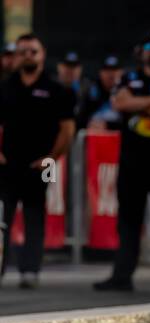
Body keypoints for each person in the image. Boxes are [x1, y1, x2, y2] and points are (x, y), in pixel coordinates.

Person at [93, 32, 150, 292]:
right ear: (140, 51)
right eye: (147, 46)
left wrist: (135, 103)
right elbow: (118, 104)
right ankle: (122, 275)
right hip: (133, 161)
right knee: (128, 221)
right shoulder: (128, 77)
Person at [0, 33, 75, 288]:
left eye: (33, 51)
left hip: (41, 163)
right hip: (7, 163)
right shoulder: (5, 87)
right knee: (2, 217)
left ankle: (30, 270)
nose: (28, 56)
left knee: (35, 215)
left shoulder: (56, 89)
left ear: (42, 55)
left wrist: (52, 158)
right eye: (22, 51)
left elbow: (67, 130)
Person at [78, 55, 124, 130]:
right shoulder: (90, 90)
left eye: (114, 70)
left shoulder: (128, 90)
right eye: (107, 70)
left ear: (121, 72)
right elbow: (80, 117)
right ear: (100, 72)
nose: (111, 74)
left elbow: (130, 122)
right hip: (94, 132)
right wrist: (88, 123)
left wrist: (108, 125)